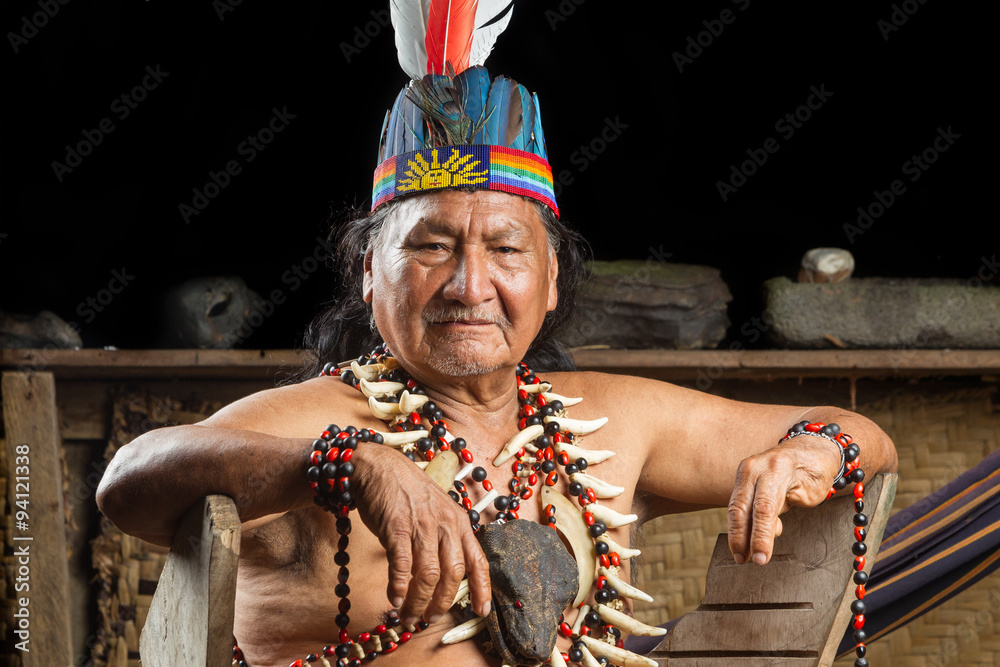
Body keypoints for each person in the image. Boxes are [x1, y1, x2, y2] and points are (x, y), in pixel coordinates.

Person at [96, 8, 898, 667]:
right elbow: (130, 480)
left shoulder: (615, 423)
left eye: (506, 249)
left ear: (550, 281)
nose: (470, 285)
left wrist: (810, 454)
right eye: (431, 245)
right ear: (368, 272)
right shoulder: (311, 424)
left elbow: (861, 435)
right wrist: (345, 463)